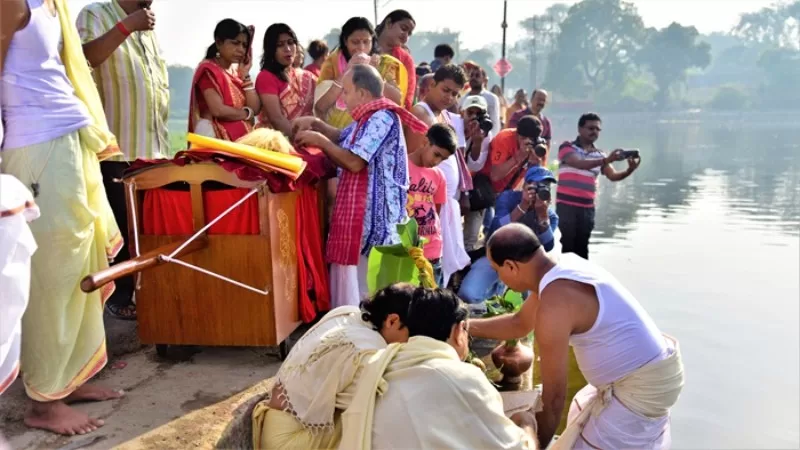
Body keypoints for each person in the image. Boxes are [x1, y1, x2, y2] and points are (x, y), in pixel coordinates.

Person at [1, 0, 125, 435]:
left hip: (70, 138)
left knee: (80, 266)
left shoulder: (52, 4)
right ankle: (44, 400)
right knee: (50, 276)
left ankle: (68, 380)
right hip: (34, 147)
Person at [470, 224, 684, 450]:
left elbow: (553, 401)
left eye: (497, 270)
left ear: (511, 266)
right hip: (651, 367)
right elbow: (519, 324)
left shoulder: (555, 303)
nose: (499, 278)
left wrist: (532, 444)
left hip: (642, 384)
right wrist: (465, 326)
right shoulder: (560, 266)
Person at [294, 65, 428, 307]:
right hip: (363, 219)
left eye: (346, 92)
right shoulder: (367, 118)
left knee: (368, 294)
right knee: (358, 289)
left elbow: (354, 161)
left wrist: (320, 141)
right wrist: (316, 124)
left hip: (375, 222)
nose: (343, 99)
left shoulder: (382, 117)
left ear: (363, 94)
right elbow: (343, 137)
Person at [339, 287, 539, 449]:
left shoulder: (383, 363)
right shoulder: (460, 376)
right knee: (525, 422)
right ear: (460, 330)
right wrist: (526, 425)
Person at [76, 0, 170, 320]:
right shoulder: (95, 14)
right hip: (116, 148)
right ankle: (119, 297)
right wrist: (126, 26)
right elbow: (82, 59)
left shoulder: (149, 28)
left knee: (146, 231)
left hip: (152, 152)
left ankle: (147, 295)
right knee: (122, 231)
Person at [252, 283, 415, 449]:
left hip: (276, 423)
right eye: (411, 333)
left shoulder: (348, 313)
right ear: (392, 321)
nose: (409, 341)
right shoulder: (366, 350)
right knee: (376, 417)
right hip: (286, 441)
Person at [458, 167, 558, 304]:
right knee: (468, 295)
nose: (542, 190)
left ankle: (502, 292)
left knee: (535, 304)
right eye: (537, 186)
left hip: (526, 265)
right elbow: (496, 230)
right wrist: (522, 207)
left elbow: (548, 246)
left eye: (546, 186)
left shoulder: (549, 215)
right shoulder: (508, 198)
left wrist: (542, 216)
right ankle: (497, 290)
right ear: (525, 186)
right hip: (496, 258)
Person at [411, 64, 472, 288]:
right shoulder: (420, 113)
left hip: (443, 201)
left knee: (441, 264)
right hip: (424, 201)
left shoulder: (445, 115)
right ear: (432, 85)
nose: (450, 97)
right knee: (428, 266)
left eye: (455, 93)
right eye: (446, 90)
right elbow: (414, 159)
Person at [557, 113, 641, 259]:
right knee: (568, 247)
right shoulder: (567, 147)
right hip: (566, 206)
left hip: (587, 208)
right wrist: (606, 160)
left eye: (597, 129)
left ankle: (583, 280)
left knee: (583, 248)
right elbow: (578, 163)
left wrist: (630, 170)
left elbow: (613, 176)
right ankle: (566, 280)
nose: (594, 132)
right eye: (590, 128)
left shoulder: (600, 154)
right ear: (580, 129)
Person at [315, 17, 406, 129]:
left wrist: (373, 73)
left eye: (366, 42)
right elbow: (320, 107)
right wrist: (347, 71)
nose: (361, 48)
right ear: (345, 41)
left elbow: (397, 102)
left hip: (373, 133)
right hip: (335, 134)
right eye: (355, 42)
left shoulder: (387, 64)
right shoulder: (332, 64)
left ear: (373, 40)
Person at [188, 19, 260, 141]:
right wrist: (247, 114)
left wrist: (246, 75)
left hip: (239, 136)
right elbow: (218, 110)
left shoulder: (237, 72)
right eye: (235, 43)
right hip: (214, 136)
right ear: (219, 43)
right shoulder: (209, 70)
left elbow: (255, 108)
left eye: (244, 45)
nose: (241, 50)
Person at [407, 124, 458, 287]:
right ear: (424, 142)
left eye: (442, 159)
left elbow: (436, 210)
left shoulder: (438, 176)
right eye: (436, 154)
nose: (437, 162)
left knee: (433, 304)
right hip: (407, 250)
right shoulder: (401, 167)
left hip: (432, 250)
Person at [255, 23, 316, 138]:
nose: (287, 49)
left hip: (307, 137)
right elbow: (276, 119)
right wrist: (299, 141)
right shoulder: (266, 76)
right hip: (278, 141)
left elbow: (320, 107)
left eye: (290, 42)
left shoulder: (306, 76)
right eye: (280, 45)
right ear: (271, 49)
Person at [461, 95, 495, 252]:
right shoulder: (454, 126)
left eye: (478, 113)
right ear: (463, 113)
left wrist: (477, 143)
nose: (474, 117)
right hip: (454, 188)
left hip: (474, 189)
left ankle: (462, 275)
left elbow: (475, 165)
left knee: (470, 238)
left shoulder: (485, 135)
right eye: (470, 112)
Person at [376, 10, 416, 110]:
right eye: (403, 28)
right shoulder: (363, 45)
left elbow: (408, 96)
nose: (406, 36)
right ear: (389, 23)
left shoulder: (405, 59)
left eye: (409, 33)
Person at [508, 89, 552, 161]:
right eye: (539, 99)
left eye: (543, 100)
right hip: (517, 160)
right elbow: (512, 136)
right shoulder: (518, 116)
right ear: (531, 99)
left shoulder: (546, 122)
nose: (541, 102)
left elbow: (547, 144)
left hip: (536, 162)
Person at [460, 66, 502, 136]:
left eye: (477, 75)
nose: (473, 78)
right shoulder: (462, 99)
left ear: (484, 80)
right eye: (471, 75)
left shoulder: (491, 98)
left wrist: (489, 141)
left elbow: (495, 124)